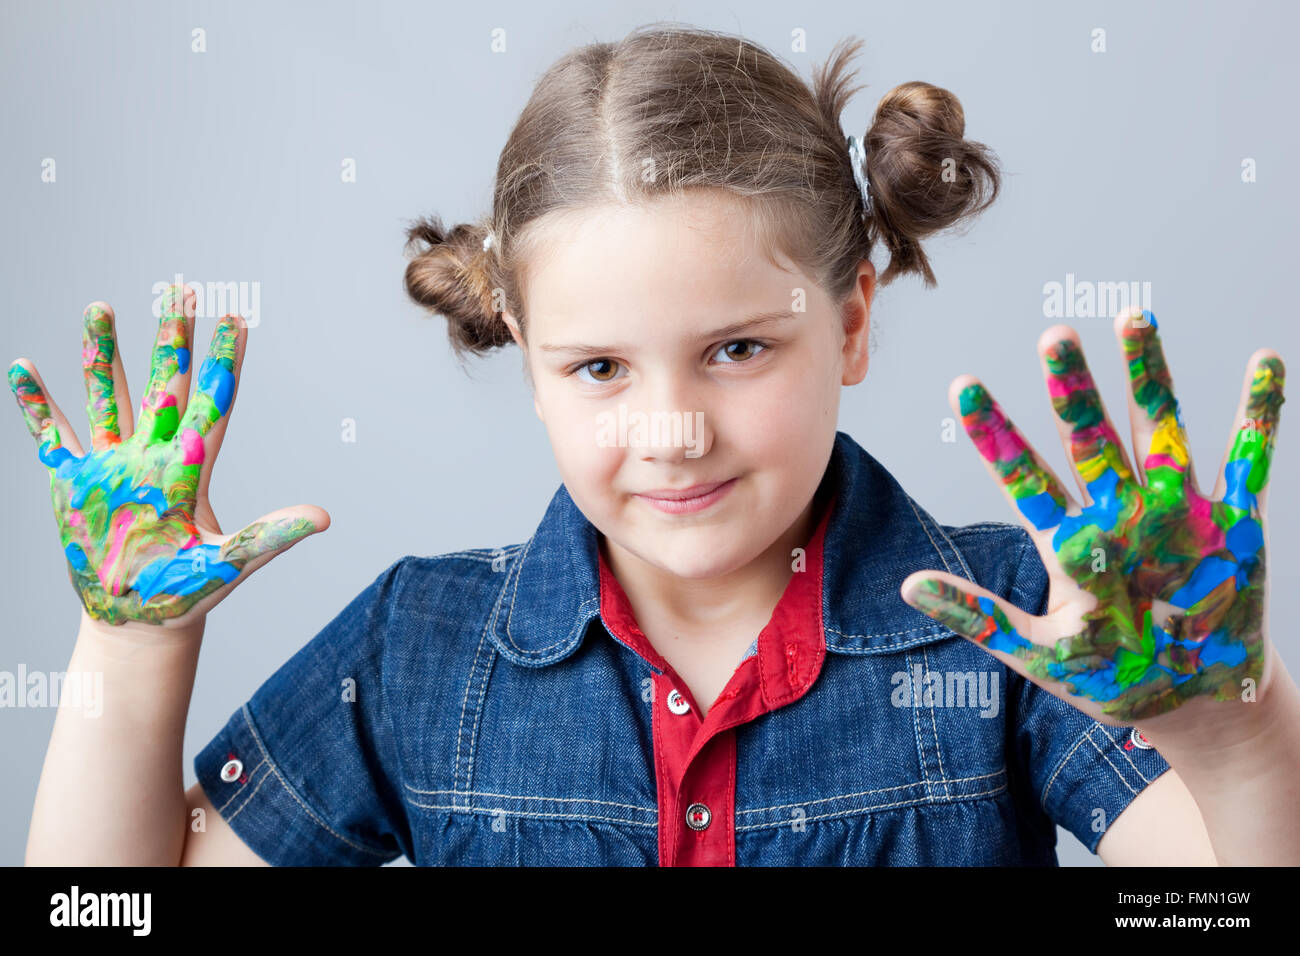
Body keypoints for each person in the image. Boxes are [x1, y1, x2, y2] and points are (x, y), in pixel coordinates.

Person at [16, 24, 1299, 866]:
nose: (673, 431)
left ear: (850, 321)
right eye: (598, 368)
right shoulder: (416, 648)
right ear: (524, 354)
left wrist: (1234, 731)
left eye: (737, 348)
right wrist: (132, 649)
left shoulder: (1019, 625)